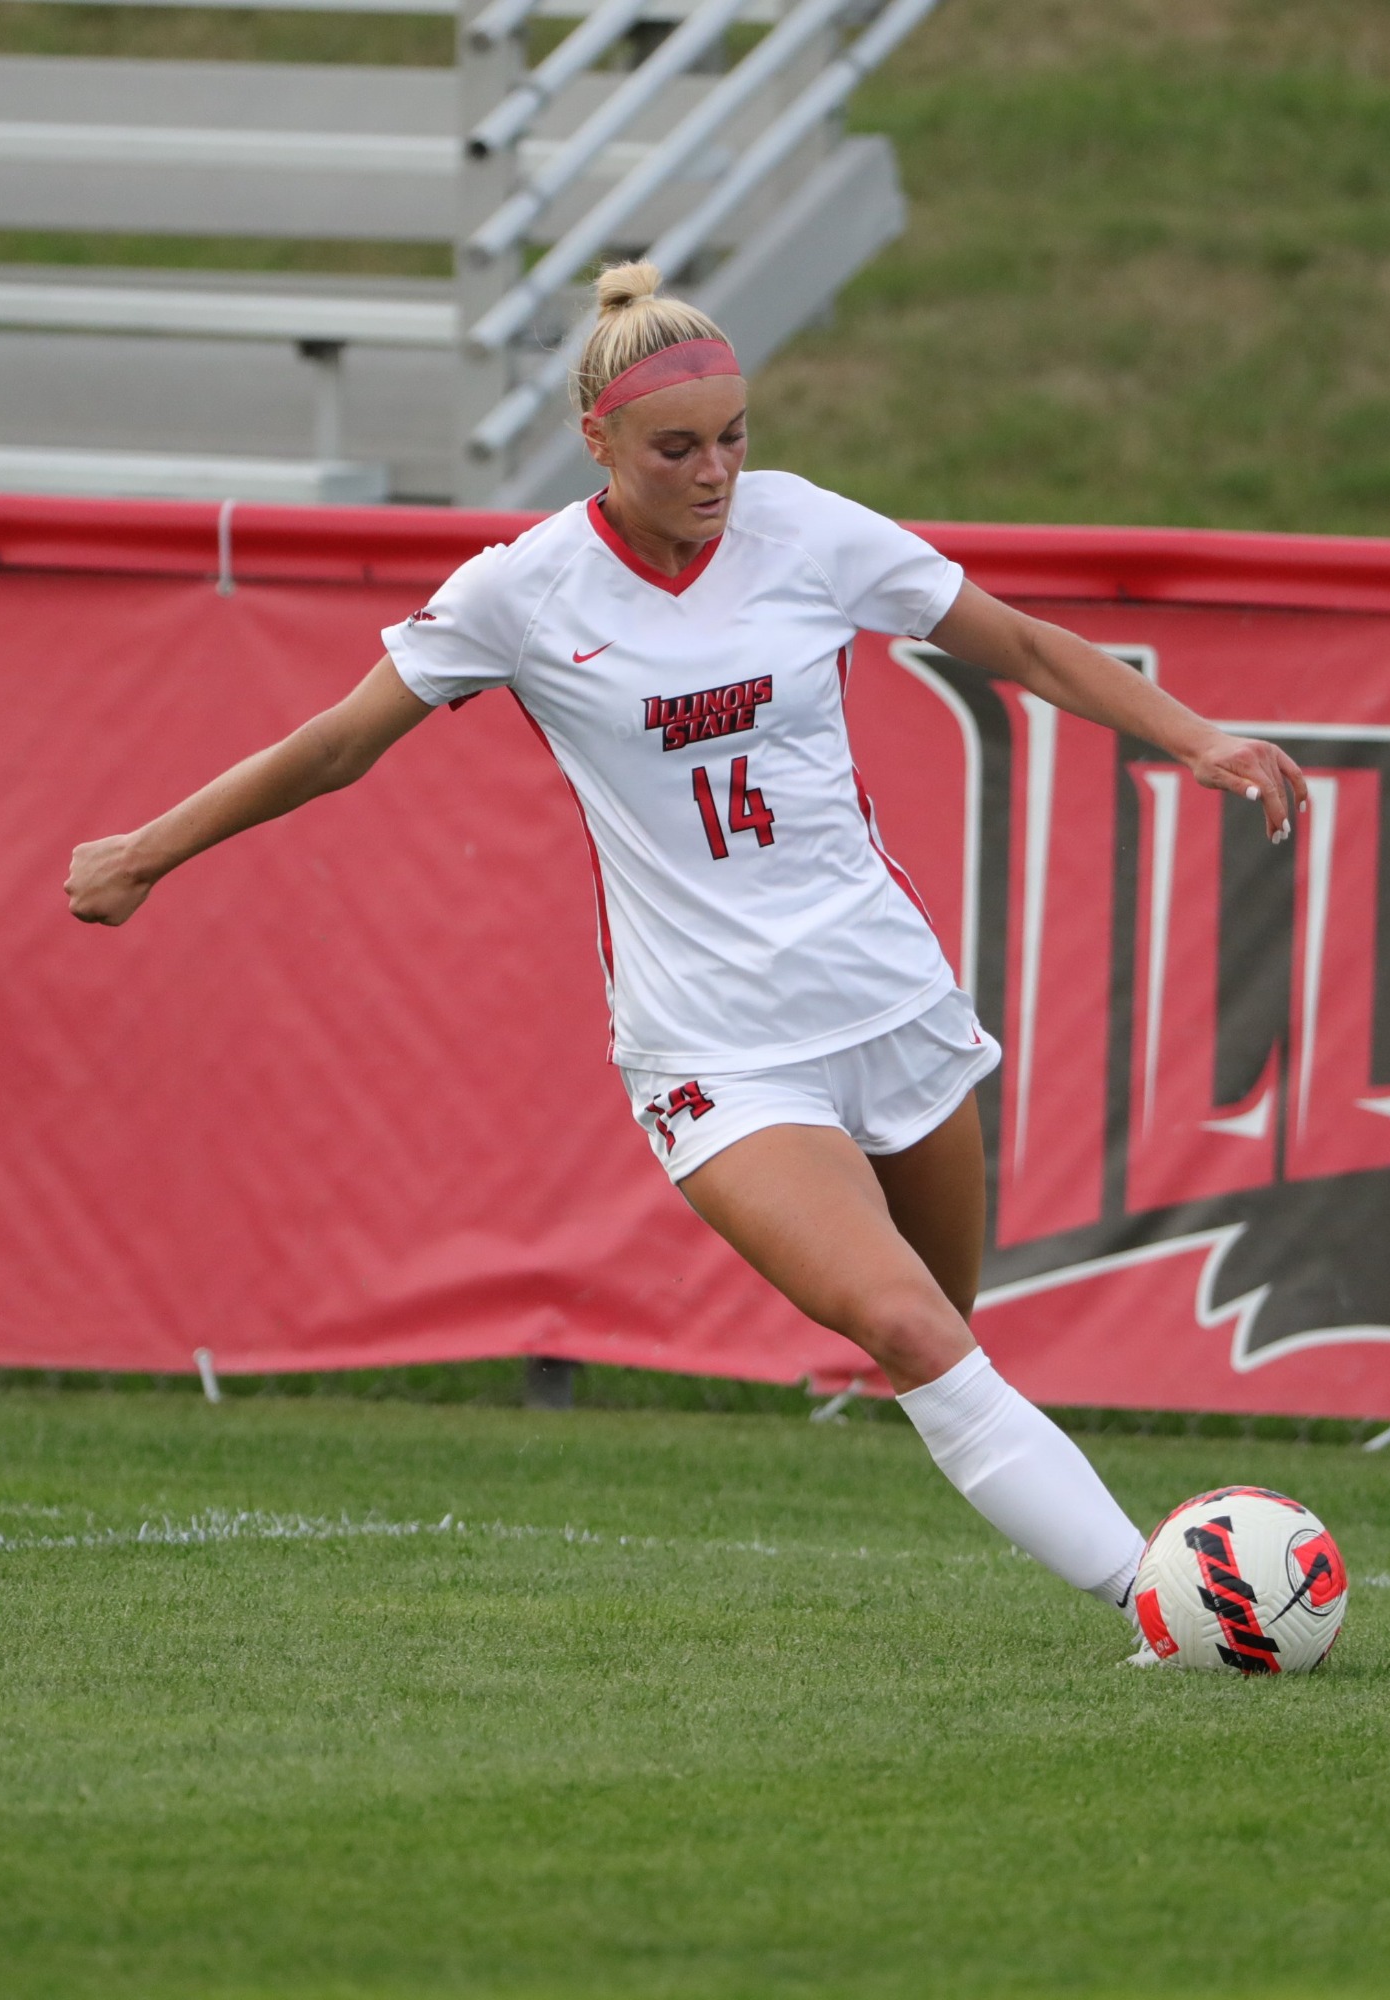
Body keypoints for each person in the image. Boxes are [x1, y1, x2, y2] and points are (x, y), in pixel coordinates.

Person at [66, 262, 1307, 1659]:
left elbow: (1016, 641)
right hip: (716, 1049)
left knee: (944, 1327)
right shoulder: (522, 590)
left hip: (891, 1001)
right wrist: (147, 850)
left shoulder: (808, 533)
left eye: (735, 437)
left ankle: (1141, 1569)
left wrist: (1194, 734)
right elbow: (341, 743)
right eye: (678, 447)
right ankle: (1165, 1601)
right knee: (907, 1327)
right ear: (594, 440)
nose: (716, 471)